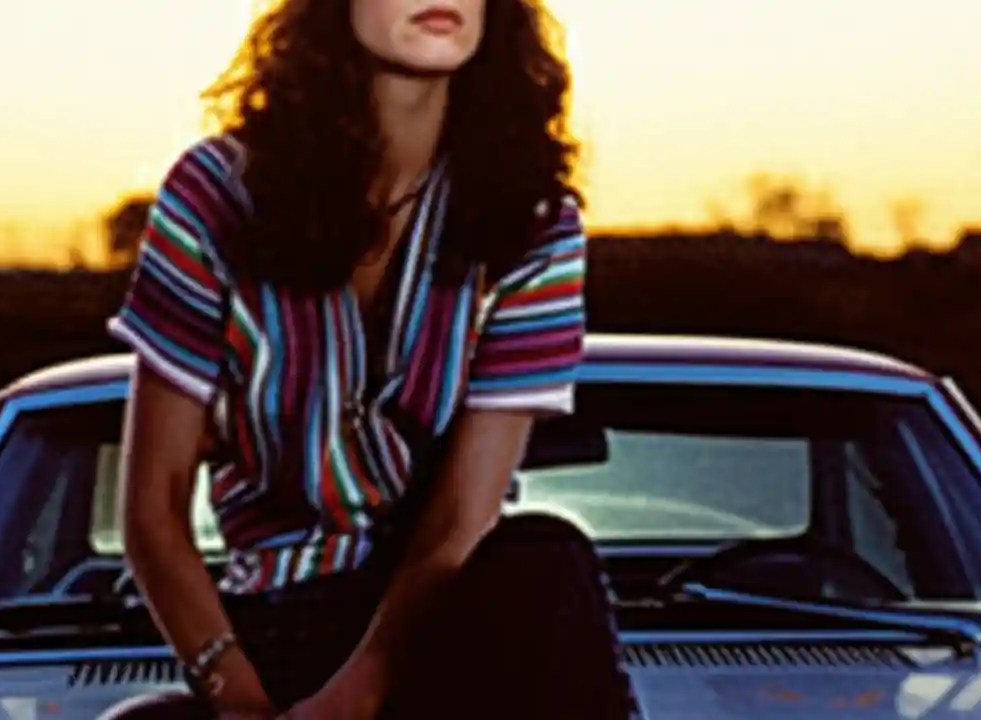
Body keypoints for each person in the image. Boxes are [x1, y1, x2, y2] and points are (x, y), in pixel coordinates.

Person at [102, 0, 632, 717]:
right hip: (267, 625)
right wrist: (241, 699)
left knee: (543, 555)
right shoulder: (217, 198)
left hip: (446, 632)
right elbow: (153, 513)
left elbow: (459, 522)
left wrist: (357, 697)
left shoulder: (532, 223)